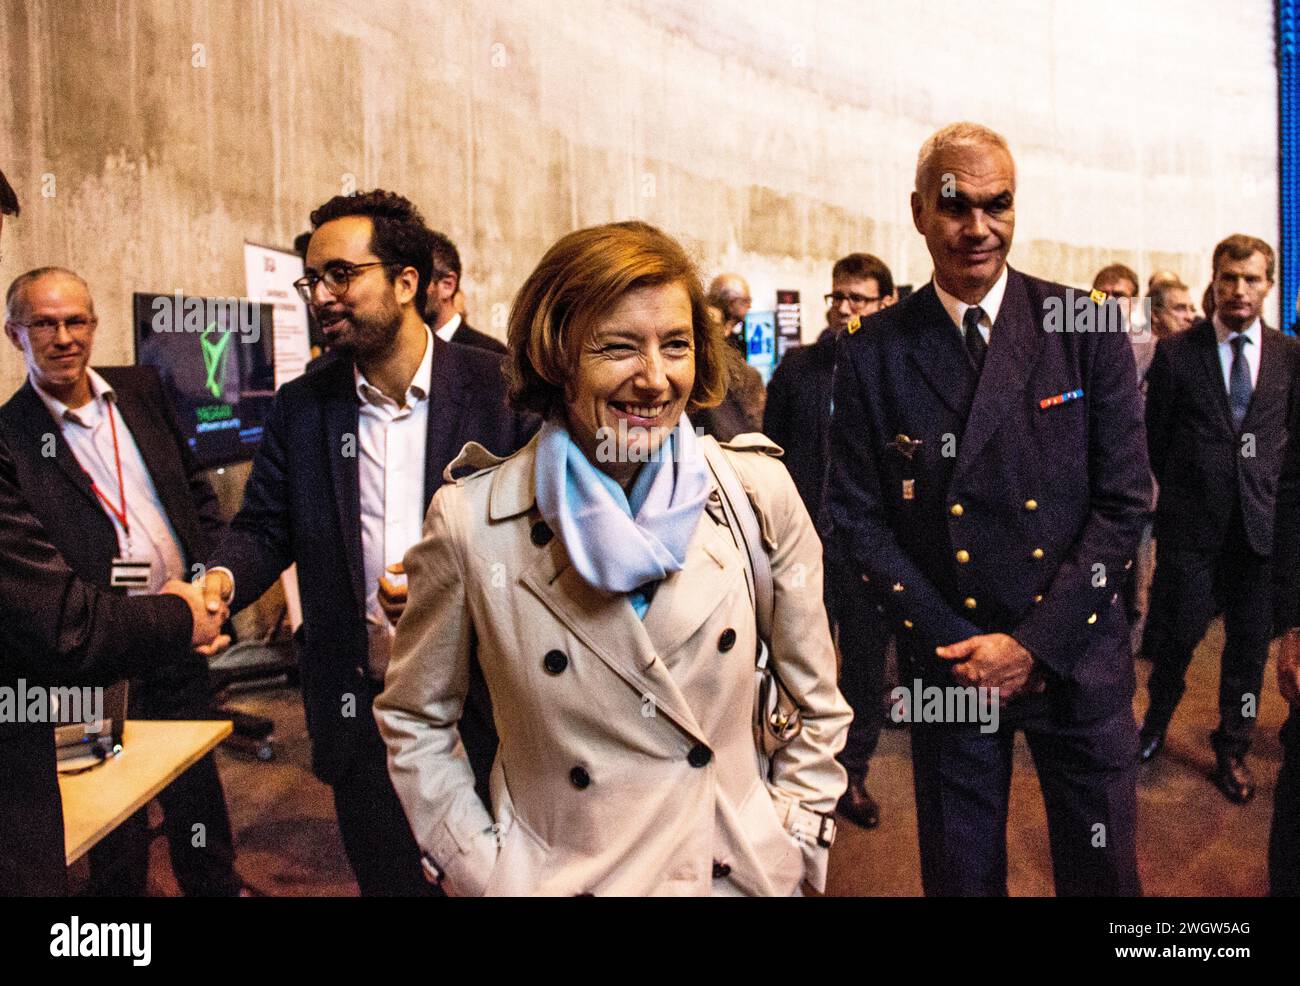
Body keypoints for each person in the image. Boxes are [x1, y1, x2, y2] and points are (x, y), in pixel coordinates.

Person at [376, 220, 851, 896]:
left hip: (729, 877)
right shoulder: (472, 523)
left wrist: (793, 835)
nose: (654, 380)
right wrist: (485, 871)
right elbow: (416, 717)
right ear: (556, 357)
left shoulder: (757, 494)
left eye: (677, 346)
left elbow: (818, 702)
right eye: (619, 347)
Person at [823, 122, 1150, 896]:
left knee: (1102, 873)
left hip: (1075, 654)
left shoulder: (1085, 324)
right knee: (962, 879)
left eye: (996, 205)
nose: (977, 229)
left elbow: (1124, 499)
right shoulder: (874, 346)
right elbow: (857, 518)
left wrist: (1035, 644)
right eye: (954, 206)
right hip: (953, 663)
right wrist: (962, 646)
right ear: (917, 212)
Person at [197, 190, 535, 896]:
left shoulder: (500, 391)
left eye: (342, 275)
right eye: (311, 279)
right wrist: (222, 582)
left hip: (487, 707)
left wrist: (455, 583)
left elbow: (548, 535)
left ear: (407, 282)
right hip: (364, 712)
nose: (321, 295)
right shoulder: (305, 403)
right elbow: (264, 526)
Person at [0, 163, 230, 897]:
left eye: (77, 321)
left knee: (200, 801)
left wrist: (213, 586)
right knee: (113, 822)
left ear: (95, 325)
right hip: (97, 657)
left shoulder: (142, 389)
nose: (64, 338)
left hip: (185, 629)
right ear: (15, 334)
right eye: (45, 323)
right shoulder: (11, 436)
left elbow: (196, 492)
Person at [1138, 235, 1299, 805]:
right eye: (1229, 277)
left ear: (1267, 285)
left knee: (1248, 655)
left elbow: (1292, 455)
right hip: (1192, 536)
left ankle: (1233, 746)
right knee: (1176, 642)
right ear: (1214, 279)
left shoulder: (1289, 357)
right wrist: (1190, 498)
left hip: (1259, 538)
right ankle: (1153, 724)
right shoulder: (1179, 354)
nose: (1239, 290)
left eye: (1251, 279)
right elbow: (1156, 442)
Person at [764, 251, 896, 829]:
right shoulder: (798, 369)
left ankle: (853, 772)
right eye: (837, 296)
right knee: (795, 662)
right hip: (801, 549)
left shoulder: (900, 370)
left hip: (870, 550)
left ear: (886, 302)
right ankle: (794, 772)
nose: (843, 308)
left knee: (865, 668)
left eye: (858, 298)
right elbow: (769, 455)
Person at [424, 229, 507, 354]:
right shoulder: (402, 355)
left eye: (420, 280)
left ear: (447, 285)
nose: (407, 291)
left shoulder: (489, 354)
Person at [707, 272, 752, 356]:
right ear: (731, 303)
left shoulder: (735, 334)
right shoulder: (712, 330)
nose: (750, 306)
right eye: (746, 301)